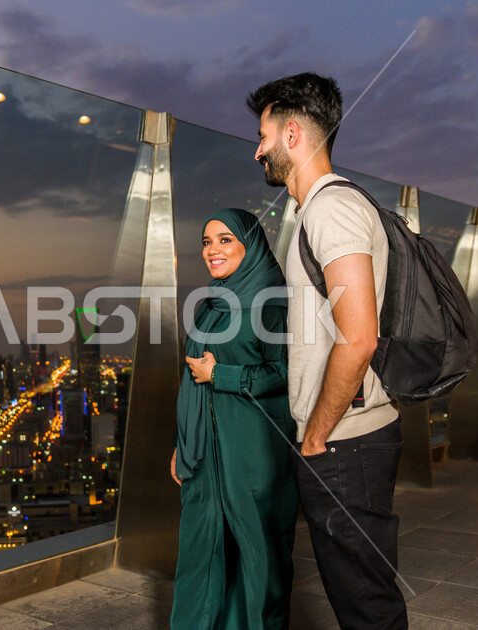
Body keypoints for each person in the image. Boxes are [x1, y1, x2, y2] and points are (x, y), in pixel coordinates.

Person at [248, 73, 407, 629]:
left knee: (364, 602)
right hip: (348, 438)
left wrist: (316, 433)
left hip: (344, 442)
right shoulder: (317, 209)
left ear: (293, 135)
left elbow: (359, 335)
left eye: (263, 135)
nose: (258, 149)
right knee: (359, 593)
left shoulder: (328, 211)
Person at [169, 208, 298, 630]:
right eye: (207, 241)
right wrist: (183, 443)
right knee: (201, 554)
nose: (213, 250)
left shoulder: (272, 298)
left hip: (252, 448)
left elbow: (283, 372)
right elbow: (192, 384)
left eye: (225, 239)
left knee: (258, 559)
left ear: (251, 244)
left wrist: (219, 374)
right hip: (207, 452)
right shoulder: (213, 301)